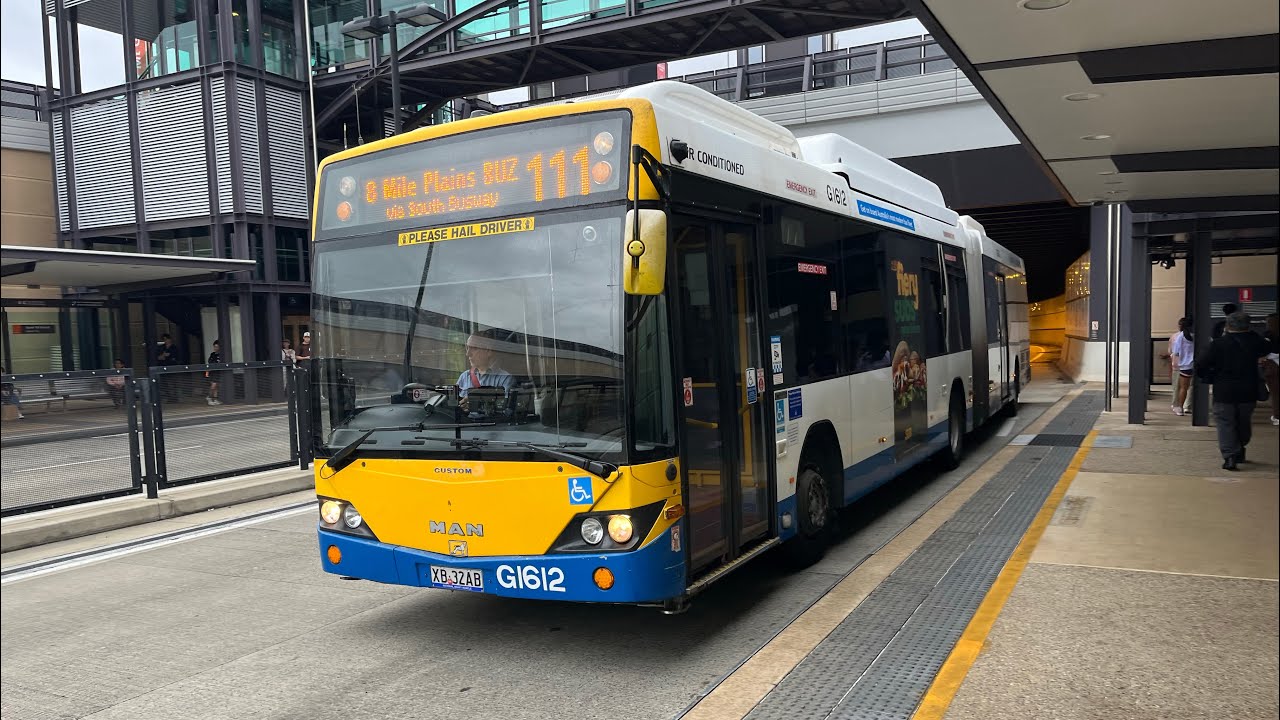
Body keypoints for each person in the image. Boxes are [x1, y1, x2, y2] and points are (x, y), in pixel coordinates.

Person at [1195, 311, 1268, 471]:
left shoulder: (1218, 344)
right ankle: (1240, 447)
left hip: (1224, 390)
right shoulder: (1256, 342)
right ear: (1248, 325)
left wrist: (1210, 377)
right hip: (1248, 390)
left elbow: (1200, 364)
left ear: (1227, 326)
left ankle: (1229, 457)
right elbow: (1267, 349)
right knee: (1243, 421)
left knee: (1225, 423)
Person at [456, 330, 514, 399]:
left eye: (474, 348)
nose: (468, 353)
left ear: (488, 351)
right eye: (468, 348)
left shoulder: (504, 379)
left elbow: (504, 407)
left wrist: (474, 403)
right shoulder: (464, 377)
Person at [1168, 317, 1194, 416]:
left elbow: (1176, 352)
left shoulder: (1180, 337)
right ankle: (1189, 406)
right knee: (1192, 387)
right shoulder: (1198, 335)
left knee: (1183, 388)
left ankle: (1180, 408)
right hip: (1196, 364)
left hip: (1185, 366)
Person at [1263, 313, 1279, 426]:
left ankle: (1277, 416)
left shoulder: (1267, 334)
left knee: (1275, 394)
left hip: (1272, 367)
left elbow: (1264, 351)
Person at [206, 340, 223, 406]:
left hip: (218, 371)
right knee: (213, 385)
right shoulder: (212, 354)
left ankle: (215, 399)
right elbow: (210, 361)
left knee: (216, 386)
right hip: (213, 372)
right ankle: (209, 397)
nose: (216, 348)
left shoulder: (221, 354)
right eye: (214, 347)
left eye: (217, 347)